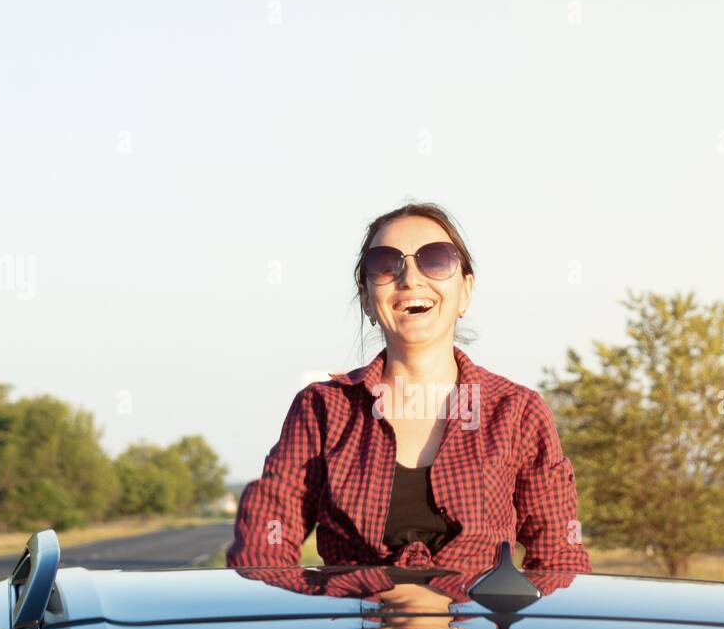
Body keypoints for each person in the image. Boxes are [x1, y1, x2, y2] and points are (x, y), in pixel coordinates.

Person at [226, 201, 591, 576]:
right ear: (367, 299)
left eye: (435, 259)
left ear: (465, 291)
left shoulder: (517, 412)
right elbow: (261, 550)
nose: (410, 278)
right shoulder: (322, 409)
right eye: (385, 263)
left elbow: (559, 562)